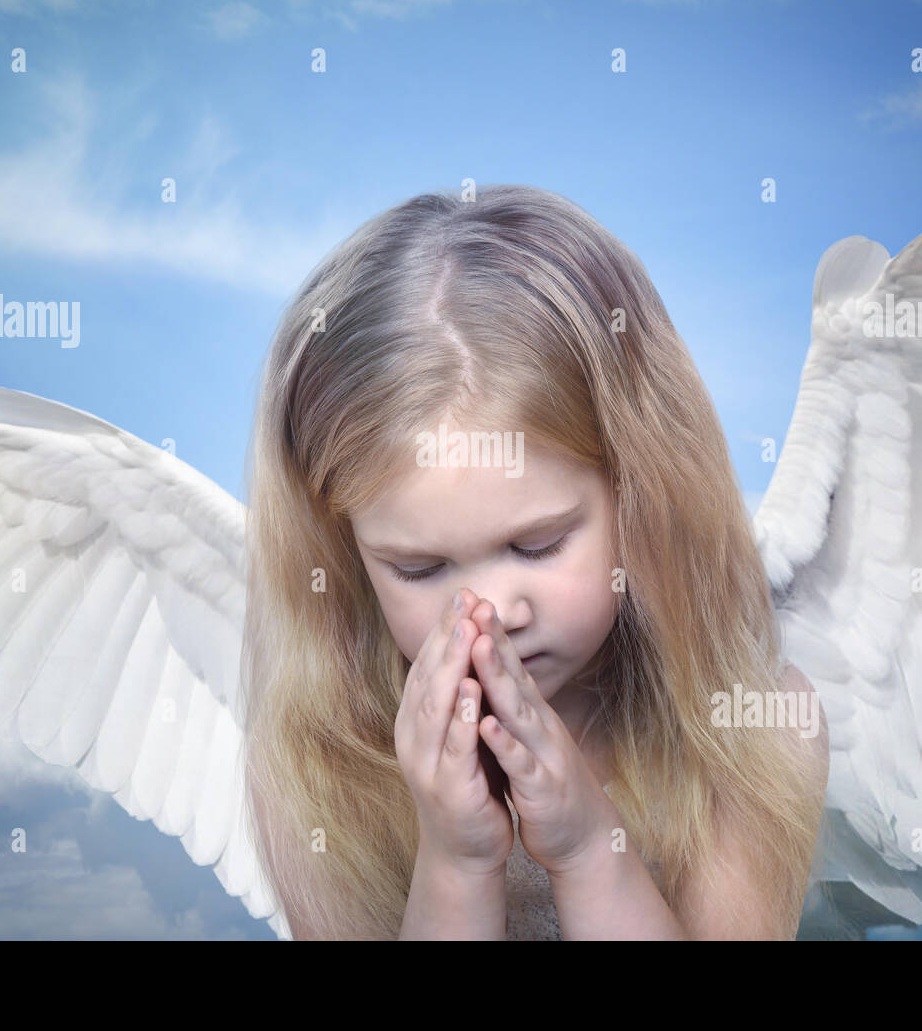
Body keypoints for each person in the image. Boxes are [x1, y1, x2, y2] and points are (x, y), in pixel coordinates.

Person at [243, 184, 829, 939]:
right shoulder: (315, 771)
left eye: (539, 544)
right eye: (418, 569)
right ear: (344, 552)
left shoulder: (756, 735)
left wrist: (590, 851)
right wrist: (456, 864)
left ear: (640, 489)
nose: (492, 613)